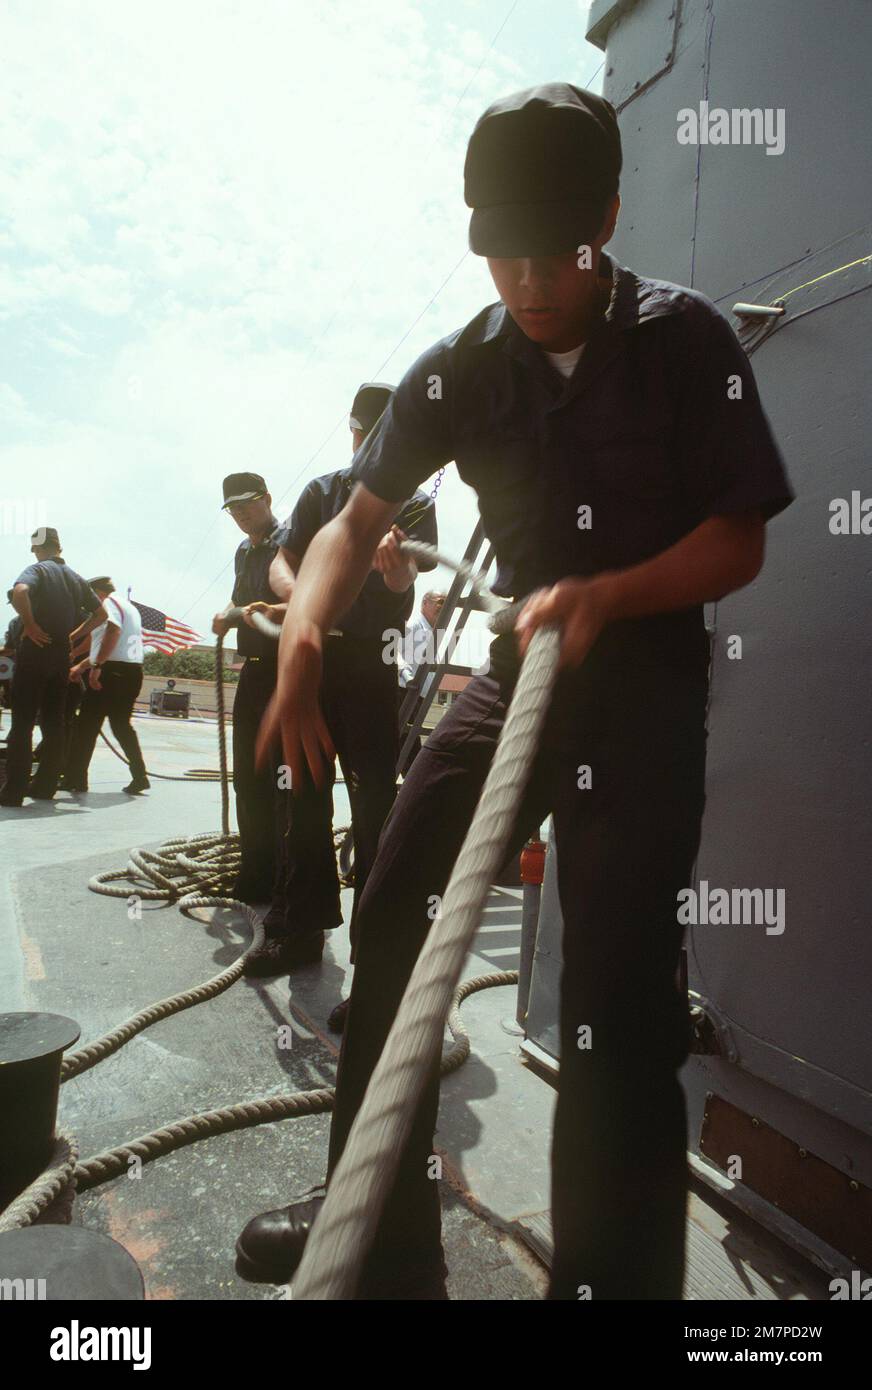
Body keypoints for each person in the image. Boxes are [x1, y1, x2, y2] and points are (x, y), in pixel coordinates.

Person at [236, 84, 793, 1300]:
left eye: (556, 252)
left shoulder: (685, 338)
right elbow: (354, 520)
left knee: (616, 983)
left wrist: (609, 593)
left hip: (637, 682)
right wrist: (302, 636)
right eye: (501, 255)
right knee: (392, 908)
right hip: (511, 676)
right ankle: (376, 1232)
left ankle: (610, 1281)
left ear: (605, 216)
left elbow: (736, 538)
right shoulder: (459, 370)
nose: (529, 281)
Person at [241, 383, 438, 977]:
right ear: (352, 431)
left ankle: (375, 962)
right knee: (300, 800)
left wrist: (398, 575)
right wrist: (302, 596)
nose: (372, 443)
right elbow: (282, 556)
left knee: (375, 806)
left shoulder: (416, 504)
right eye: (365, 432)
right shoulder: (321, 491)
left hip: (368, 670)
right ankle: (299, 932)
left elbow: (410, 578)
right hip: (312, 662)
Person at [213, 474, 285, 905]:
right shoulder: (243, 551)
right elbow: (237, 598)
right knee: (248, 778)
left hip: (287, 670)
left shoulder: (289, 541)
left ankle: (282, 873)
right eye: (233, 508)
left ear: (266, 500)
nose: (241, 514)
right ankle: (255, 871)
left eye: (247, 504)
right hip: (255, 671)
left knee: (283, 780)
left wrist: (236, 612)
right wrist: (227, 614)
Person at [0, 528, 106, 806]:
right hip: (61, 655)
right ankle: (45, 787)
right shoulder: (76, 579)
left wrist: (31, 625)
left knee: (22, 723)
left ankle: (13, 792)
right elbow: (100, 615)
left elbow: (20, 591)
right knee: (54, 723)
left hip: (35, 651)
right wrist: (72, 637)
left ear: (37, 548)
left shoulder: (39, 570)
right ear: (59, 547)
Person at [63, 578, 149, 794]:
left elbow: (113, 632)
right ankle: (140, 776)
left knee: (86, 726)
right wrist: (81, 665)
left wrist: (98, 666)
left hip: (111, 673)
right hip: (131, 671)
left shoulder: (108, 604)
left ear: (96, 593)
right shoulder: (127, 607)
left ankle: (75, 779)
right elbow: (102, 642)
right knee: (121, 726)